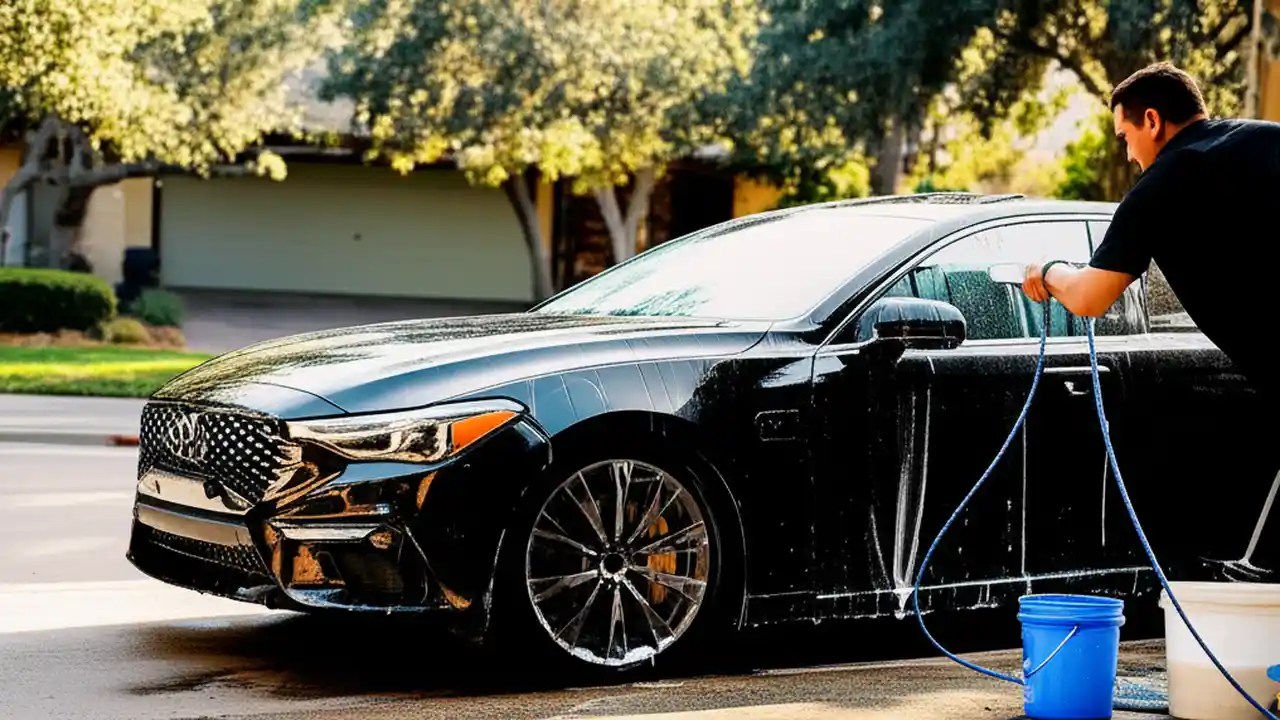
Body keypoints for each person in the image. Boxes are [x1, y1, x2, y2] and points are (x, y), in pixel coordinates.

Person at [1022, 61, 1280, 396]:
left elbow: (1088, 297)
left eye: (1125, 137)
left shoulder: (1161, 185)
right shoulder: (1269, 137)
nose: (1129, 154)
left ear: (1152, 121)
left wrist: (1045, 269)